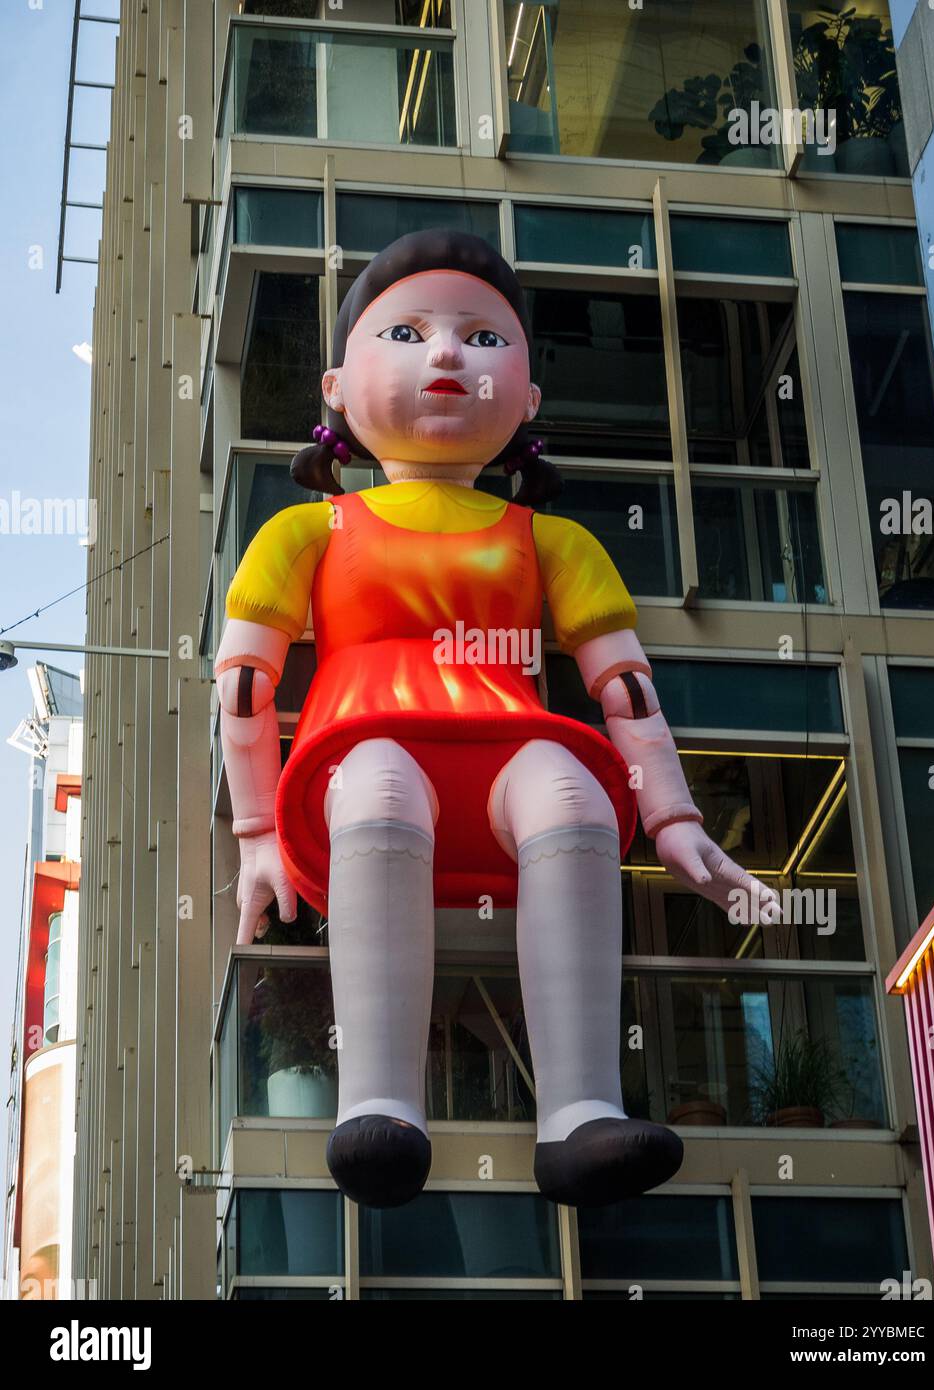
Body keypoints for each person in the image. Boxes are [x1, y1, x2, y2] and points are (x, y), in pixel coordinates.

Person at [216, 229, 780, 1209]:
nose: (445, 353)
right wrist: (258, 826)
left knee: (572, 790)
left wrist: (676, 818)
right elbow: (244, 685)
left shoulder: (552, 542)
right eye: (408, 331)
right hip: (365, 757)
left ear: (526, 400)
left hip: (508, 757)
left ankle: (580, 1115)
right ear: (338, 389)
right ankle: (378, 1105)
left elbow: (625, 691)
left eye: (480, 337)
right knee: (383, 778)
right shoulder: (307, 530)